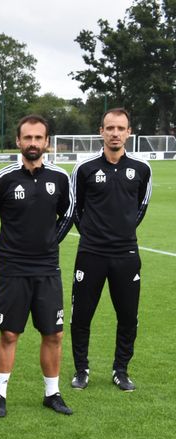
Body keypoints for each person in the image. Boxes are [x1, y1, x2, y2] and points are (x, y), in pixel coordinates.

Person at [0, 115, 74, 417]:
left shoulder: (59, 178)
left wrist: (50, 244)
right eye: (28, 138)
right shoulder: (4, 179)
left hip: (48, 269)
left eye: (39, 138)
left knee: (54, 334)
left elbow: (68, 215)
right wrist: (4, 249)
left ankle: (52, 393)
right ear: (18, 141)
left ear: (46, 142)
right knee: (9, 334)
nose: (33, 143)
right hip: (12, 270)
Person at [69, 108, 152, 391]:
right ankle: (81, 369)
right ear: (100, 131)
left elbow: (141, 207)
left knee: (128, 315)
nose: (115, 133)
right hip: (90, 253)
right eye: (110, 128)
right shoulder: (85, 169)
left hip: (126, 255)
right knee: (81, 314)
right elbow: (75, 209)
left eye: (120, 128)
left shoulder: (142, 169)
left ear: (129, 132)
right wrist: (94, 235)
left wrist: (122, 232)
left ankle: (121, 370)